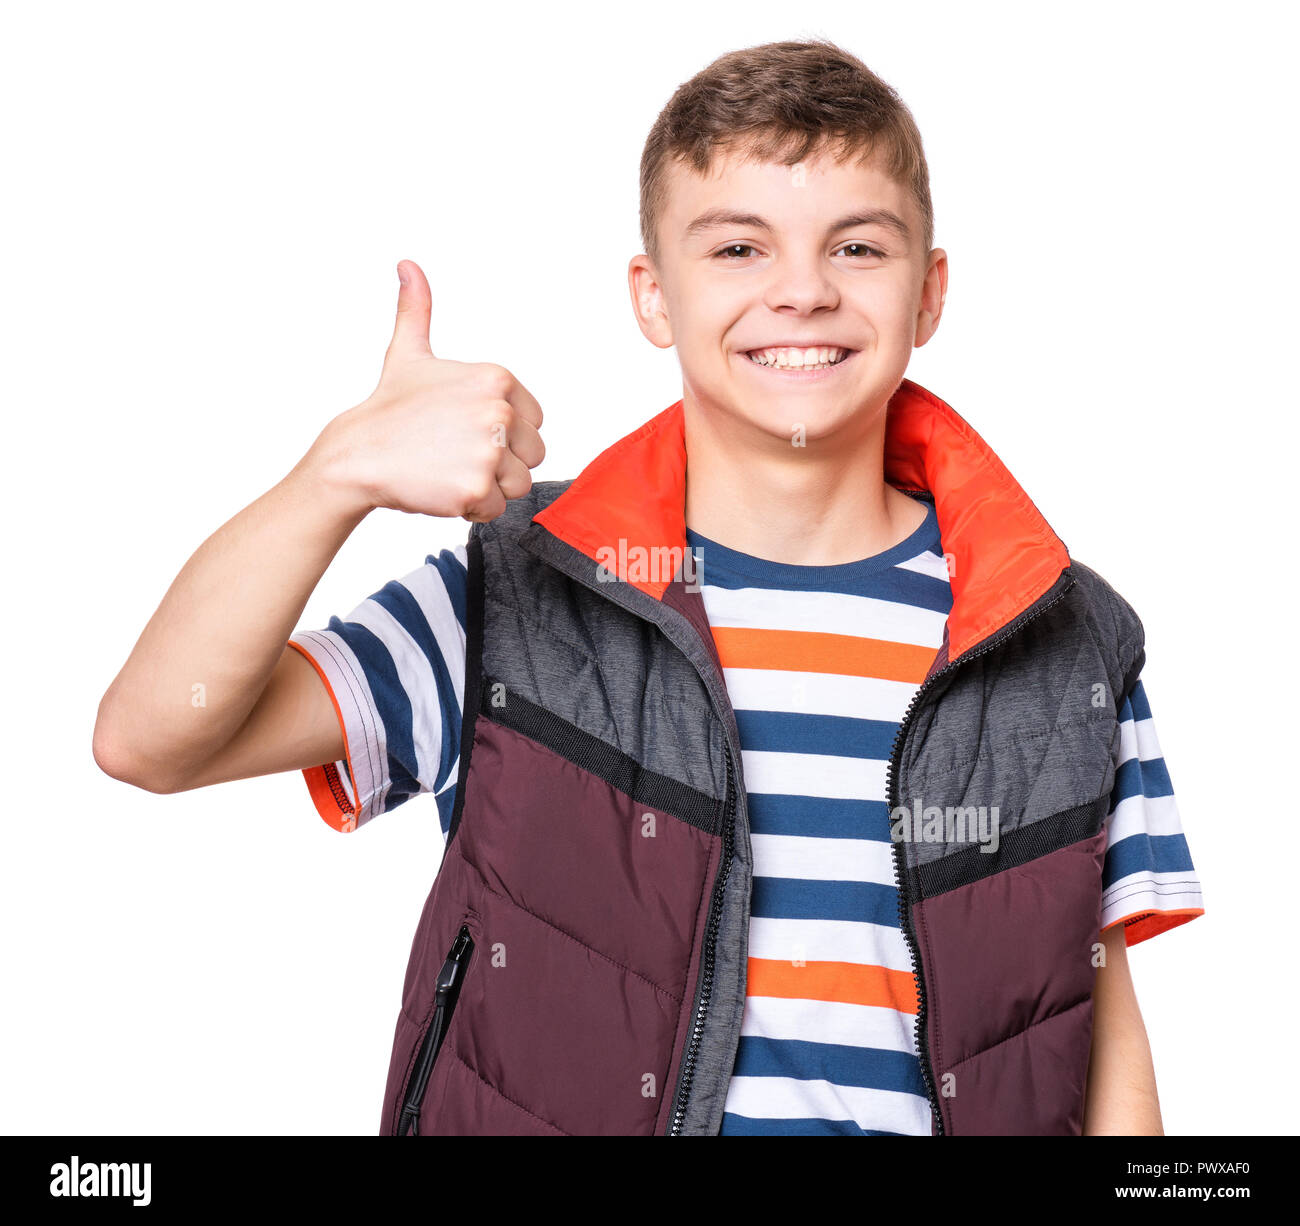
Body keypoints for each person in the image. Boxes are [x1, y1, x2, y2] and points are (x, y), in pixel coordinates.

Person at [93, 37, 1204, 1136]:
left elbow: (1092, 1023)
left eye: (858, 247)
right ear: (652, 297)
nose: (803, 293)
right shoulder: (521, 593)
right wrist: (332, 478)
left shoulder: (1057, 634)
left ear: (929, 293)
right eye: (736, 249)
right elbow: (156, 737)